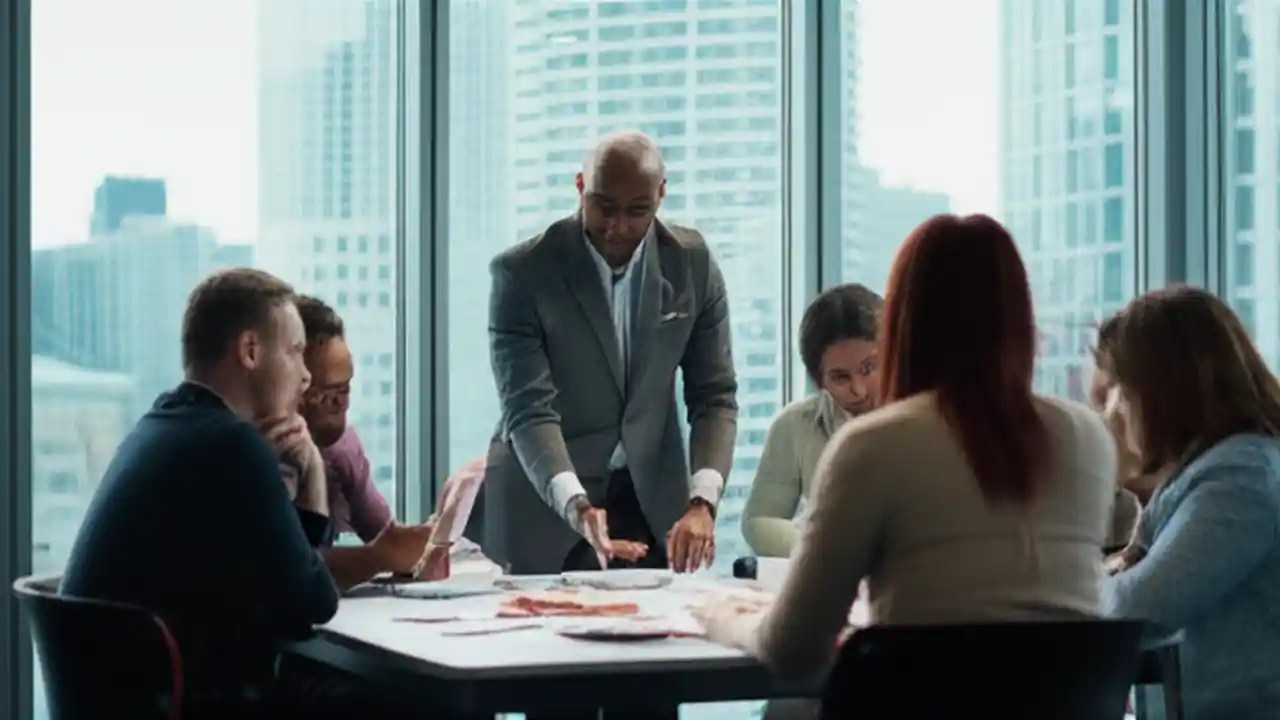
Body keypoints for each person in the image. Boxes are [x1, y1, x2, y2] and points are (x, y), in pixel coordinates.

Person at [693, 214, 1117, 692]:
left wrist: (724, 616)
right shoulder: (1089, 439)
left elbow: (794, 649)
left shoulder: (874, 445)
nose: (859, 387)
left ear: (900, 324)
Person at [59, 269, 434, 716]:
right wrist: (313, 472)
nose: (305, 377)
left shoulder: (162, 424)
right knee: (420, 701)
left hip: (130, 701)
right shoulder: (231, 444)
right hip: (194, 703)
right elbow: (311, 603)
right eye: (296, 352)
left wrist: (307, 471)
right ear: (250, 351)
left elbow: (290, 580)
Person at [483, 129, 738, 581]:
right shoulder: (523, 273)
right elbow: (528, 410)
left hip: (651, 497)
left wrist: (703, 502)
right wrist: (576, 505)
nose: (617, 227)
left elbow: (714, 395)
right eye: (603, 205)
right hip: (547, 500)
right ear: (580, 186)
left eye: (637, 211)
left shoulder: (692, 265)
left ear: (661, 195)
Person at [1099, 286, 1280, 720]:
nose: (1113, 409)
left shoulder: (1240, 477)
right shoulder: (1219, 468)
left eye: (1121, 388)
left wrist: (1063, 593)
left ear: (1162, 390)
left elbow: (1146, 606)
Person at [742, 283, 882, 558]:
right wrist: (830, 548)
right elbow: (758, 522)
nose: (859, 389)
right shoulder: (795, 425)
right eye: (840, 377)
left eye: (869, 368)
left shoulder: (933, 418)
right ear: (819, 382)